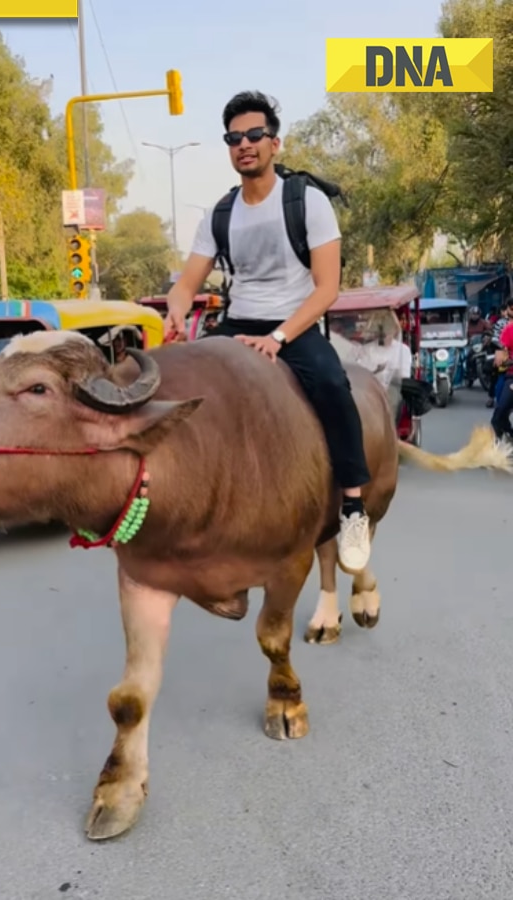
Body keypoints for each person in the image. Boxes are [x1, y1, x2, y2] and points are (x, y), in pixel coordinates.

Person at [165, 90, 373, 572]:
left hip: (295, 325)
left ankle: (353, 506)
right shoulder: (219, 215)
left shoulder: (307, 202)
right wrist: (175, 311)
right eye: (234, 138)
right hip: (238, 322)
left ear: (274, 143)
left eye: (255, 134)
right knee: (184, 390)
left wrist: (278, 338)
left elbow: (327, 288)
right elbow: (186, 284)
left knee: (332, 384)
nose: (245, 144)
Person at [493, 311, 513, 440]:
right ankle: (508, 436)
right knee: (498, 416)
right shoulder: (509, 330)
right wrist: (501, 359)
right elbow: (500, 355)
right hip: (511, 376)